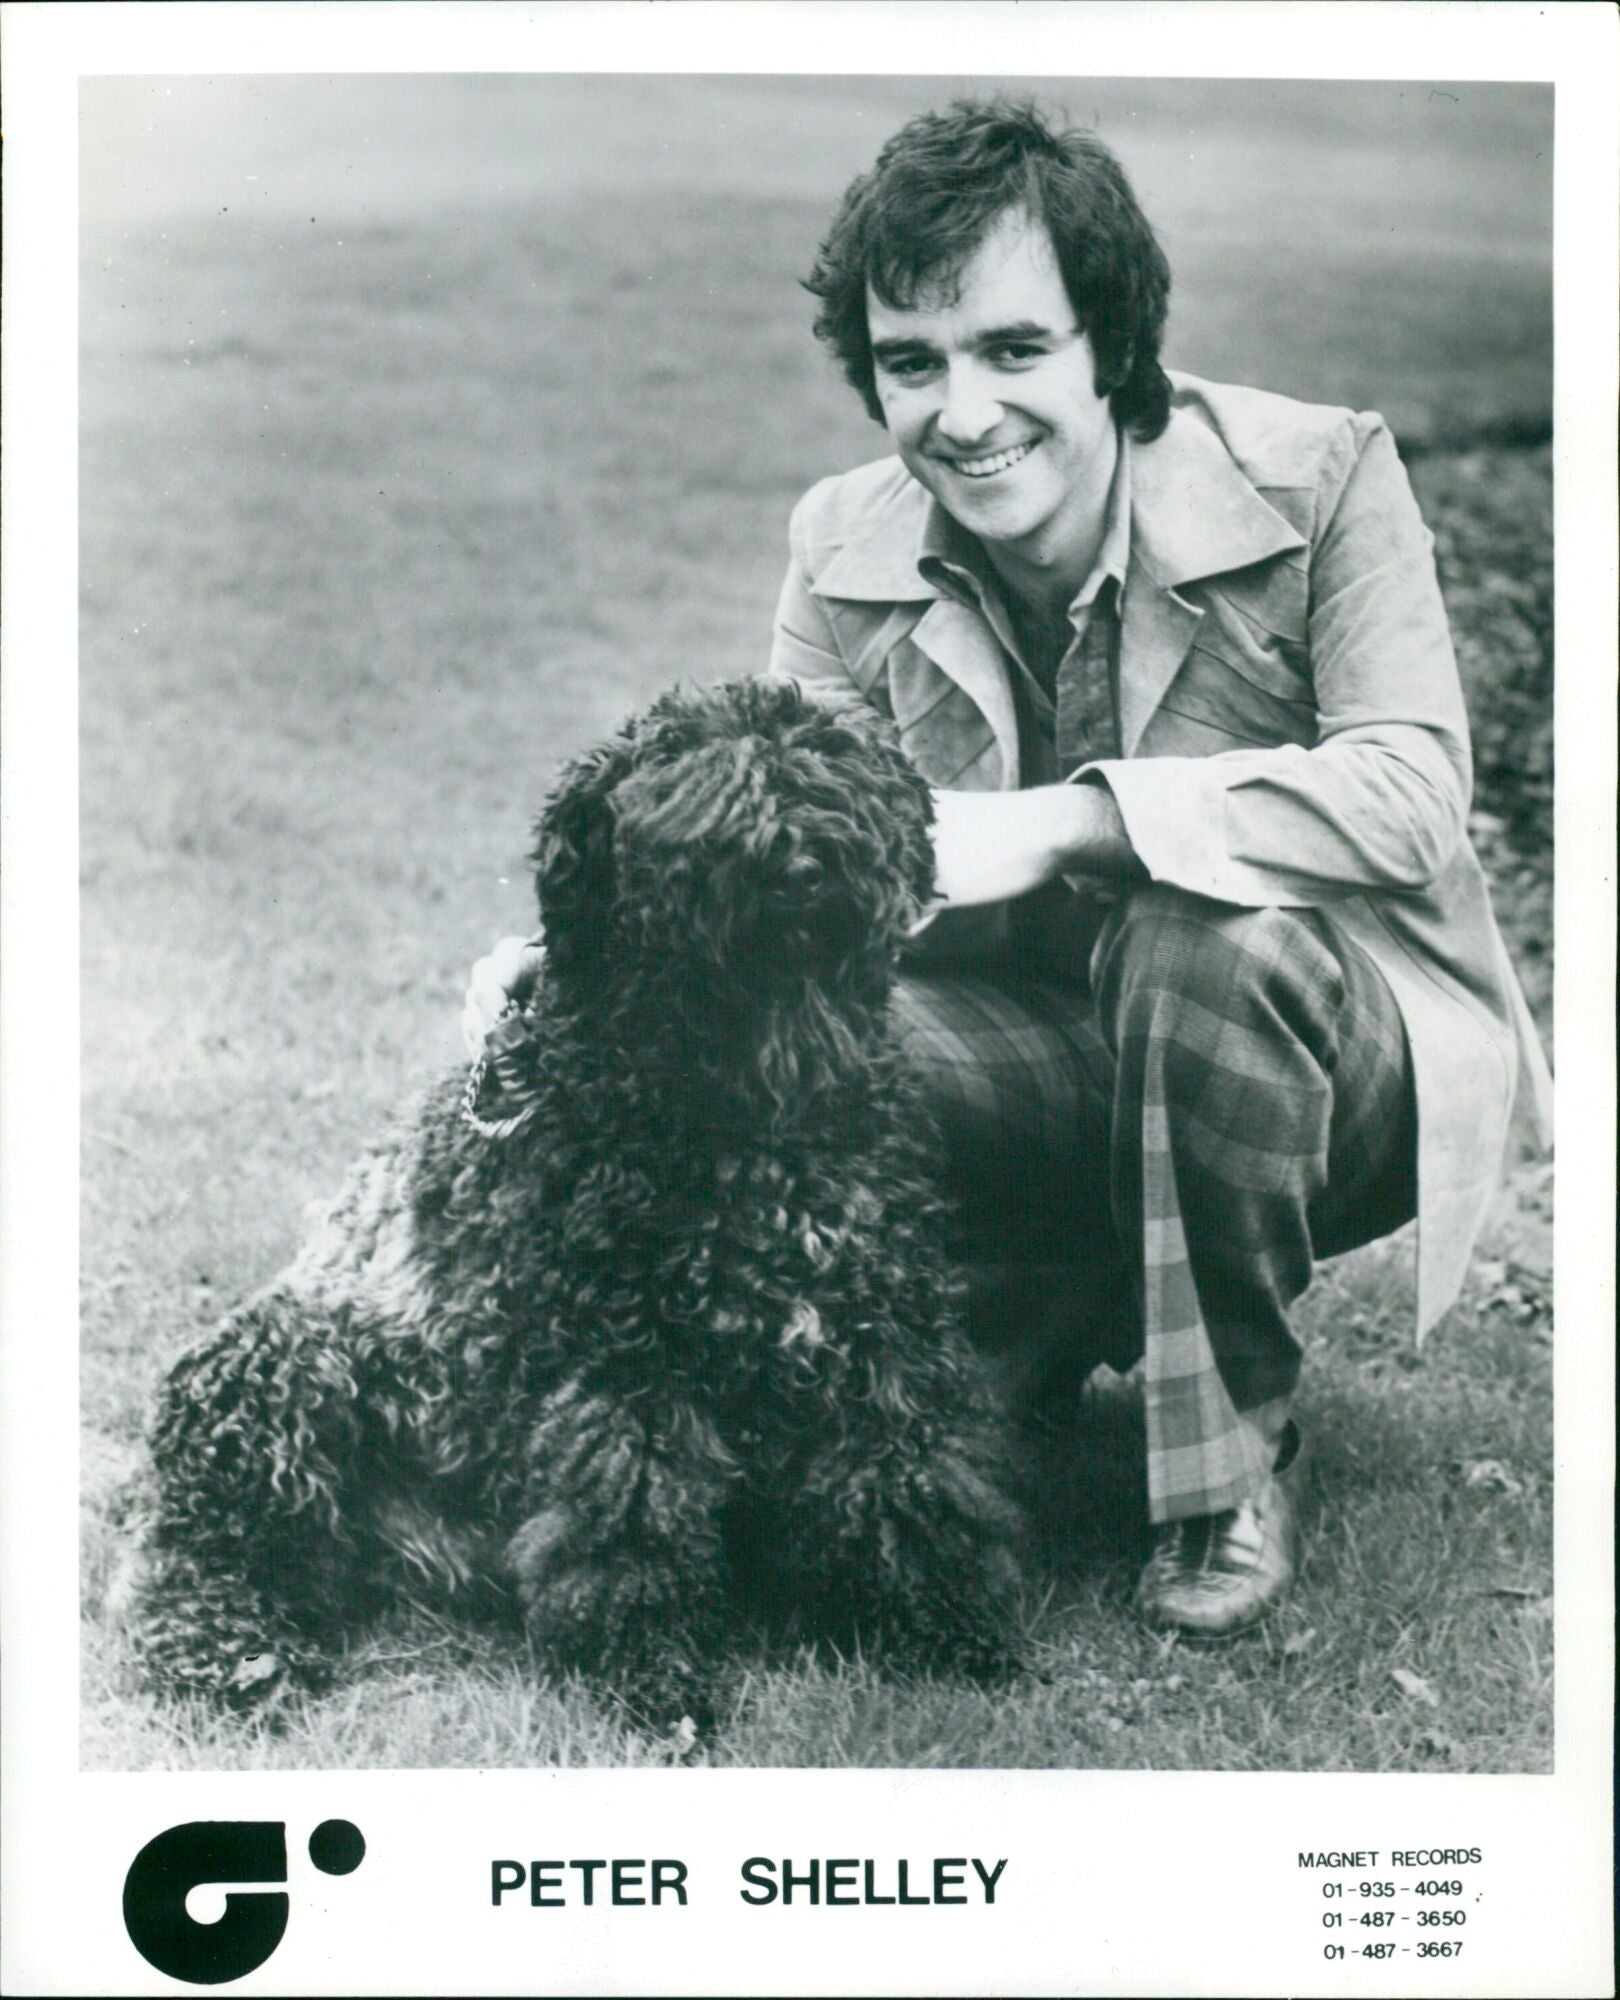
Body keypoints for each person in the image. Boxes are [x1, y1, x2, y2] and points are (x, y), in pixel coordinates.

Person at [464, 99, 1552, 1636]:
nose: (962, 412)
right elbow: (790, 874)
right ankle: (1011, 1333)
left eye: (1012, 351)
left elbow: (1410, 795)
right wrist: (592, 974)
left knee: (1202, 946)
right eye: (912, 364)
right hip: (1037, 1047)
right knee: (786, 1039)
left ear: (1108, 342)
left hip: (1323, 1058)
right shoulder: (844, 540)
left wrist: (1068, 820)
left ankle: (1222, 1464)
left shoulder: (1322, 478)